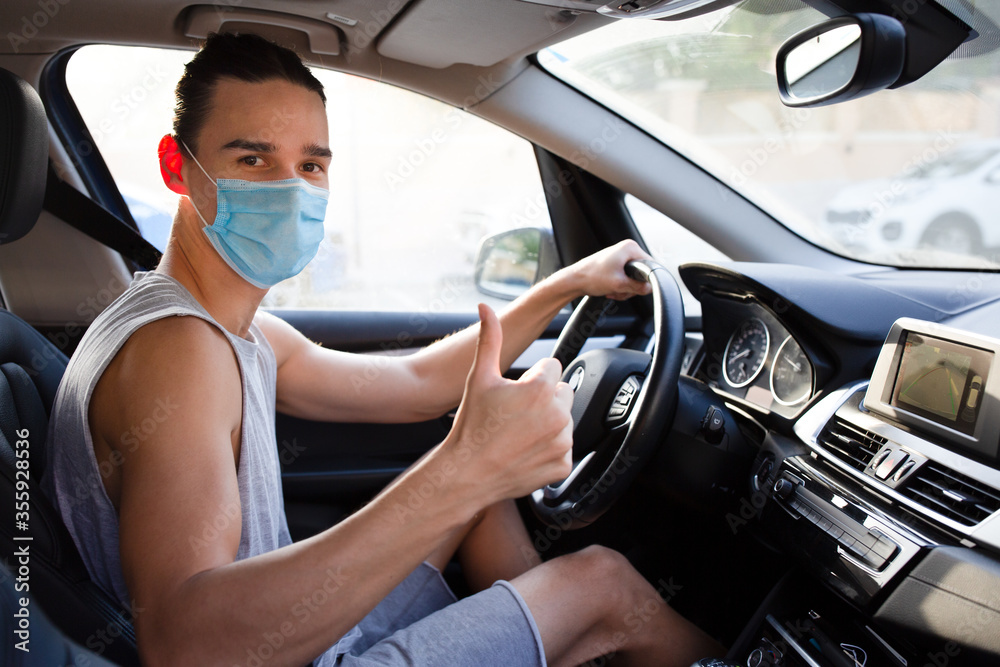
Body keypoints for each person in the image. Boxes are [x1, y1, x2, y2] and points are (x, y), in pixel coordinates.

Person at [45, 32, 722, 666]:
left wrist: (566, 286)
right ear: (177, 167)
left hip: (297, 634)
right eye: (253, 159)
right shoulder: (178, 351)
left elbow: (415, 382)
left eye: (310, 164)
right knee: (602, 581)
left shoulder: (232, 329)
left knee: (480, 499)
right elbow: (185, 643)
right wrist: (467, 465)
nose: (291, 189)